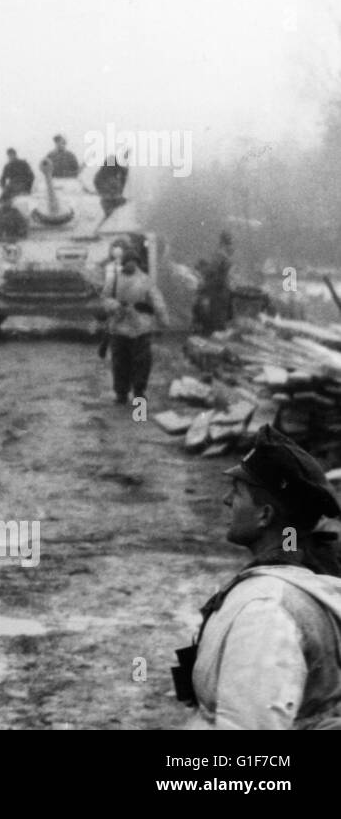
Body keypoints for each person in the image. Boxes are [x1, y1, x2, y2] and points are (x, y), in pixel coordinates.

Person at [177, 425, 341, 729]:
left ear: (264, 515)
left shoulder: (267, 609)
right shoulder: (308, 575)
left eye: (236, 492)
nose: (226, 500)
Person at [102, 245, 167, 404]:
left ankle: (139, 394)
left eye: (134, 261)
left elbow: (156, 300)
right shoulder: (114, 280)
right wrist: (115, 305)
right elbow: (105, 299)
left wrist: (163, 319)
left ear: (137, 263)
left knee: (142, 362)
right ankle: (121, 393)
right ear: (124, 263)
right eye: (128, 261)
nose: (131, 264)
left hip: (141, 327)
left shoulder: (145, 280)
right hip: (119, 327)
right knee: (120, 362)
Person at [192, 231, 234, 334]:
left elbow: (212, 271)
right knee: (218, 315)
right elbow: (215, 270)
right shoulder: (223, 254)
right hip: (221, 288)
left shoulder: (220, 254)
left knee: (213, 314)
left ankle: (209, 333)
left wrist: (202, 270)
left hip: (217, 289)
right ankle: (214, 332)